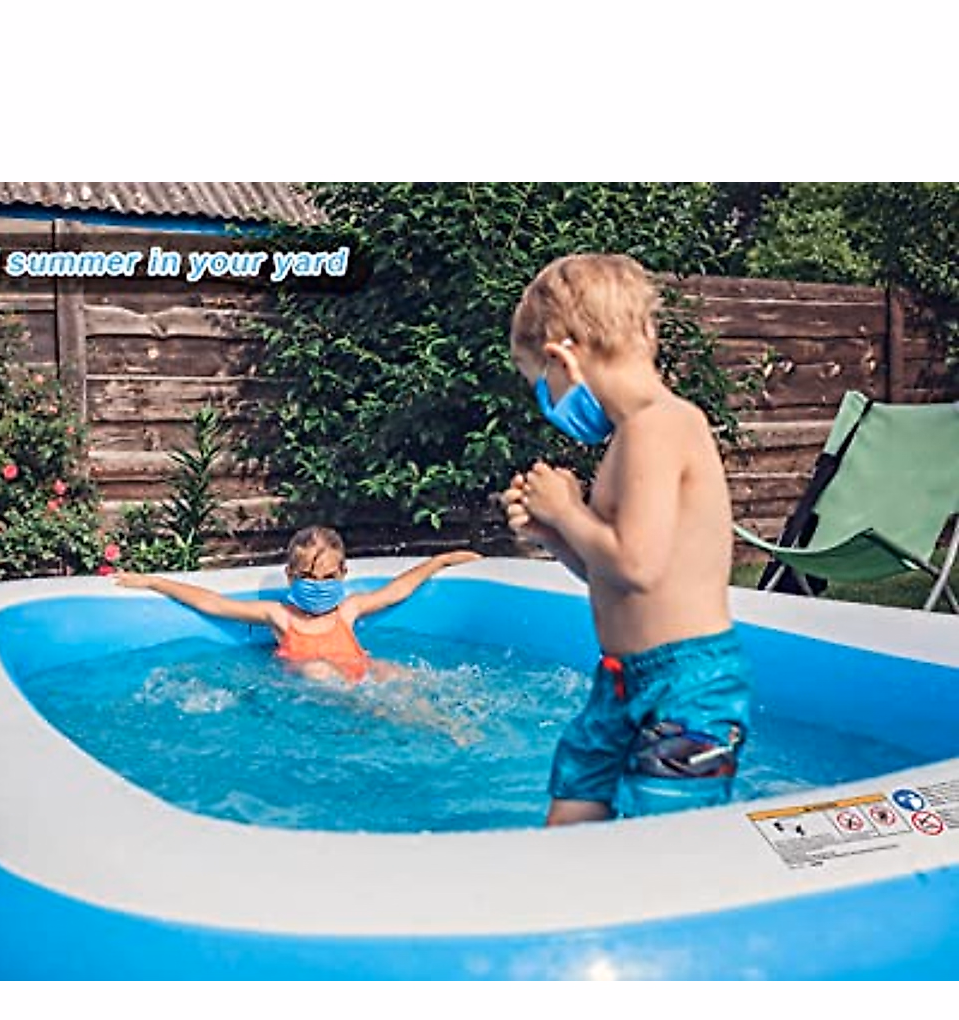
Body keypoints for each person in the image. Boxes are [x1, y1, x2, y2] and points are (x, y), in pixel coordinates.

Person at [501, 253, 752, 825]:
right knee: (572, 808)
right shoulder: (628, 438)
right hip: (622, 679)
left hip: (688, 684)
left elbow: (636, 564)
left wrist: (567, 508)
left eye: (541, 386)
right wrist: (555, 534)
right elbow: (611, 572)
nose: (548, 403)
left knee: (666, 841)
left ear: (562, 358)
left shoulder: (660, 427)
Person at [115, 526, 480, 688]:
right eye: (307, 577)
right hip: (316, 685)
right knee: (319, 670)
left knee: (395, 673)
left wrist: (440, 561)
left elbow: (396, 591)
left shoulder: (348, 610)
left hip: (359, 674)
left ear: (342, 574)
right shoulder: (279, 616)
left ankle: (445, 723)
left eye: (327, 578)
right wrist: (155, 582)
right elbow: (213, 603)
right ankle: (376, 711)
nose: (317, 586)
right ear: (290, 576)